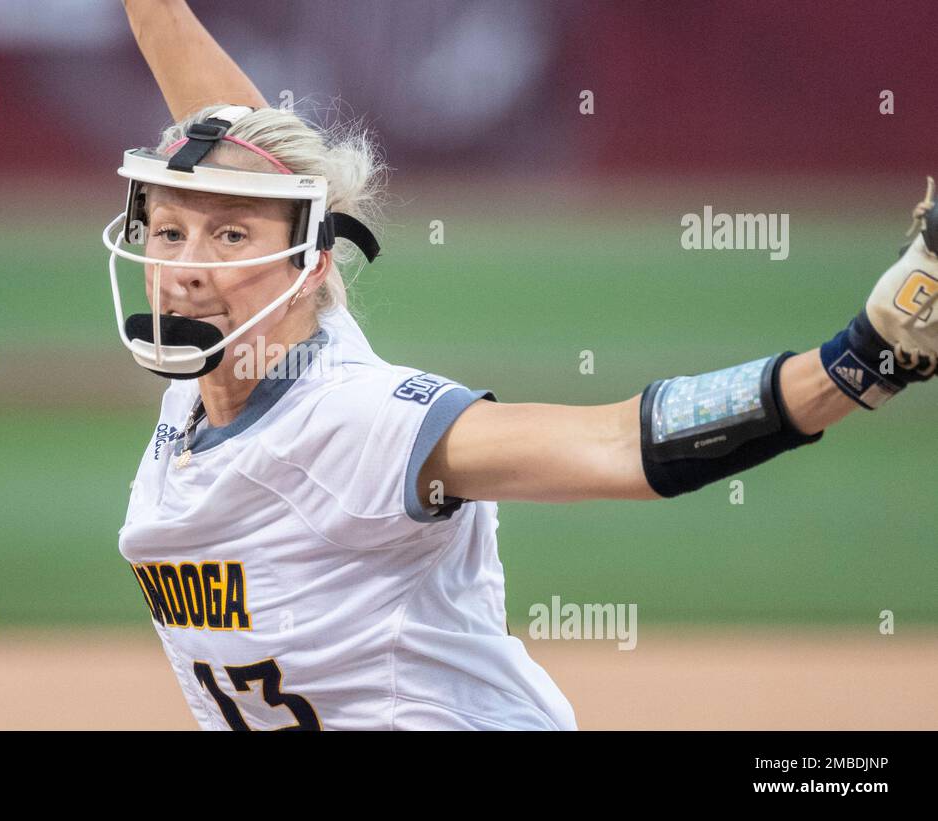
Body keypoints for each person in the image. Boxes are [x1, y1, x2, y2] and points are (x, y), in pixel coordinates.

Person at [106, 0, 936, 730]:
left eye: (229, 238)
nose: (185, 267)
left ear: (308, 264)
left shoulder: (358, 422)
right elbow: (224, 124)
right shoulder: (208, 385)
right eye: (171, 233)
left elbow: (618, 446)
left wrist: (862, 360)